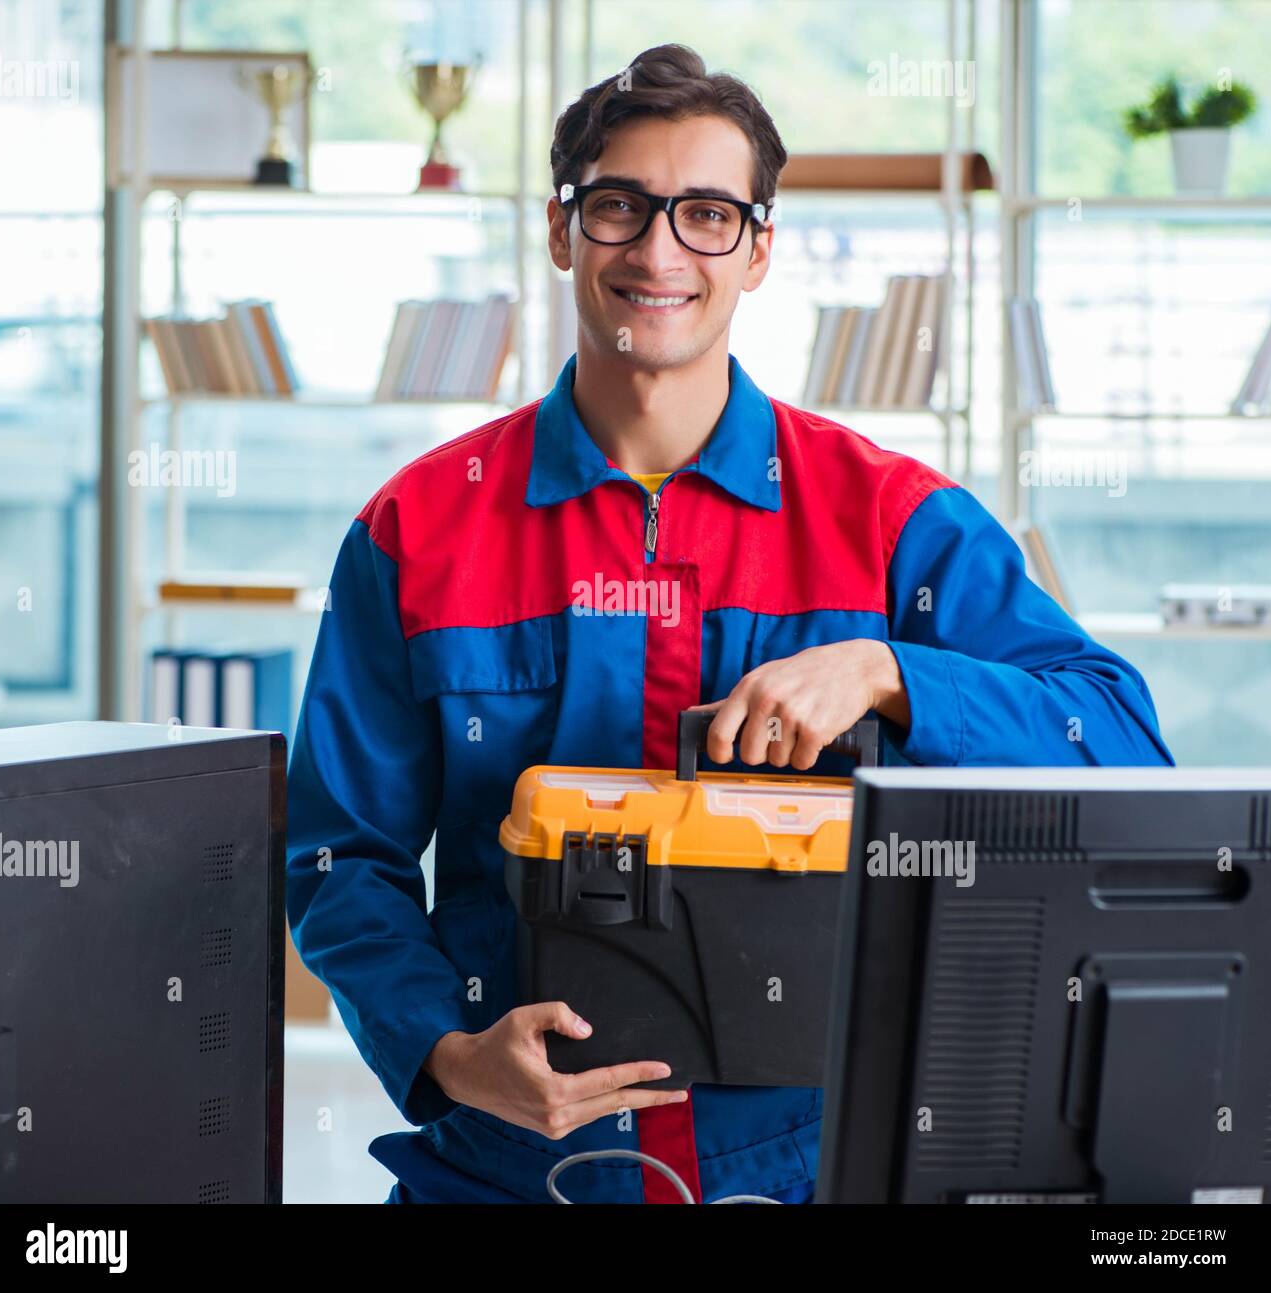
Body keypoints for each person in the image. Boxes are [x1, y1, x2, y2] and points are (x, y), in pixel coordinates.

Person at [286, 43, 1173, 1206]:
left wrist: (888, 673)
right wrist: (445, 1055)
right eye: (619, 208)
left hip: (814, 1159)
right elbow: (337, 855)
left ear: (758, 249)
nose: (658, 252)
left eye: (705, 214)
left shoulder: (896, 522)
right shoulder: (416, 533)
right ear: (562, 232)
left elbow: (1119, 748)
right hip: (505, 1168)